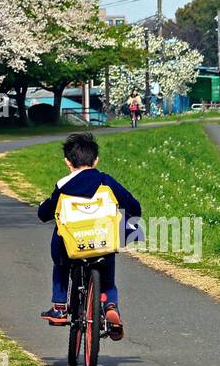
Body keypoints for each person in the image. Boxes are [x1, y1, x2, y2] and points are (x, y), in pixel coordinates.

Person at [36, 132, 142, 340]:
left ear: (67, 161)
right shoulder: (106, 180)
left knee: (61, 264)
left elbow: (45, 213)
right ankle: (110, 305)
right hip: (102, 240)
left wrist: (43, 209)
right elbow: (134, 206)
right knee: (108, 277)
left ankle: (59, 307)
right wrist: (128, 224)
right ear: (96, 160)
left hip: (73, 246)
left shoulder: (63, 185)